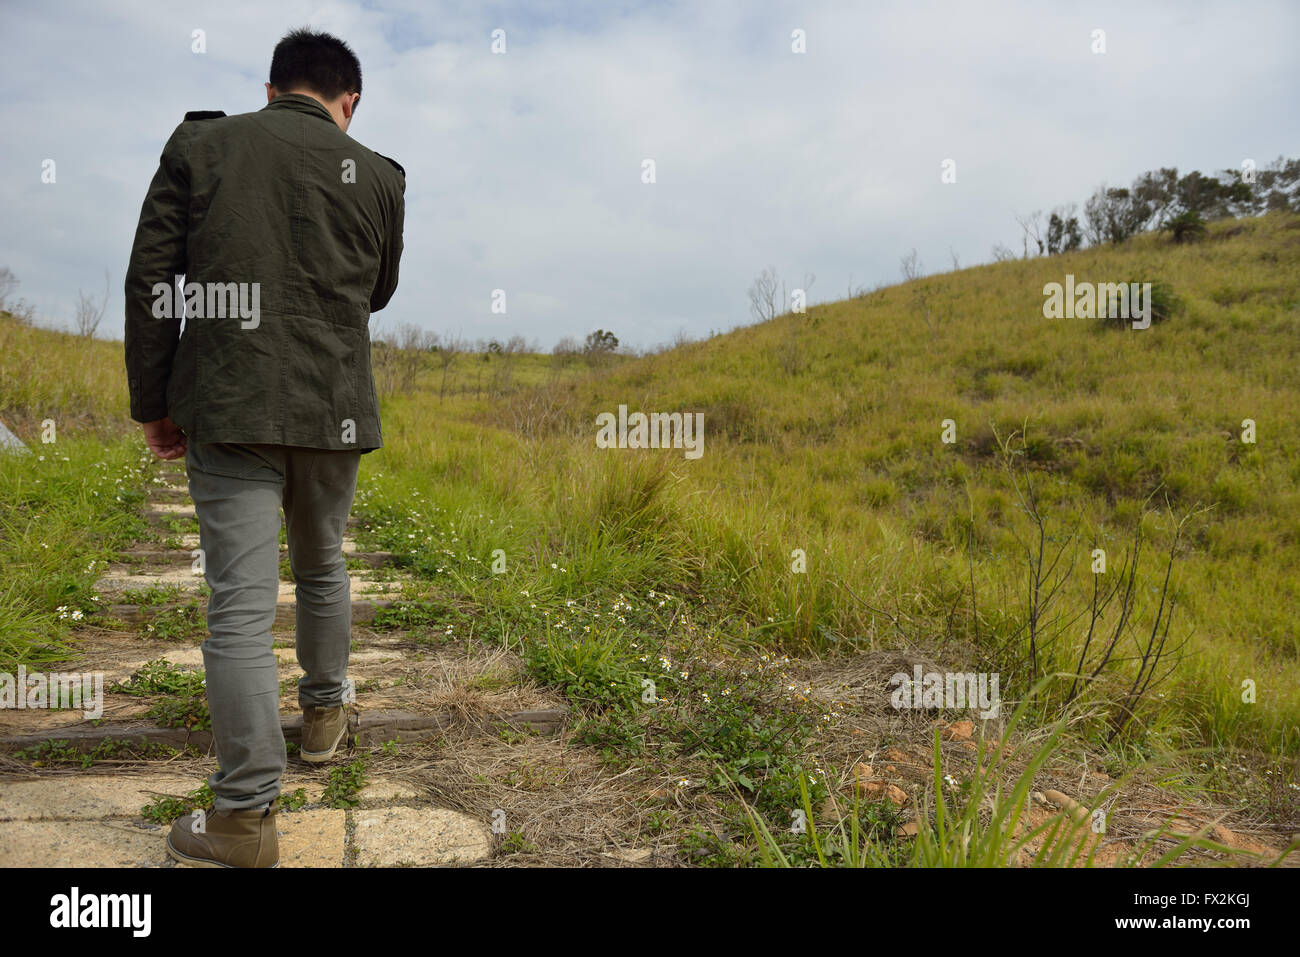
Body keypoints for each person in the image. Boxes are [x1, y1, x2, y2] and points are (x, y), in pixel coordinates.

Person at [123, 27, 405, 867]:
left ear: (274, 85)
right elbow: (378, 291)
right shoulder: (381, 177)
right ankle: (323, 718)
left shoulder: (204, 144)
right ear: (346, 102)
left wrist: (155, 400)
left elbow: (152, 281)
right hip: (333, 412)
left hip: (230, 406)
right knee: (322, 567)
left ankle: (244, 819)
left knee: (238, 612)